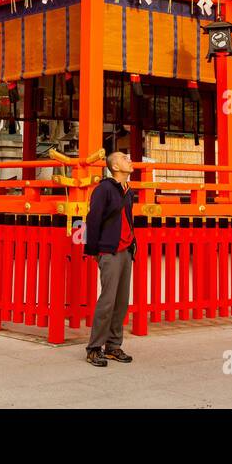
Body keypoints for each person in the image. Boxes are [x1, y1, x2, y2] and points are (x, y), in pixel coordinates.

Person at [83, 150, 137, 367]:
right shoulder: (104, 189)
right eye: (125, 158)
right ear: (114, 166)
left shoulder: (128, 190)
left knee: (121, 302)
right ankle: (94, 348)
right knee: (107, 301)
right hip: (109, 251)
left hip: (125, 251)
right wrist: (93, 249)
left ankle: (113, 346)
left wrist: (132, 244)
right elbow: (93, 219)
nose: (130, 160)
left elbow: (127, 219)